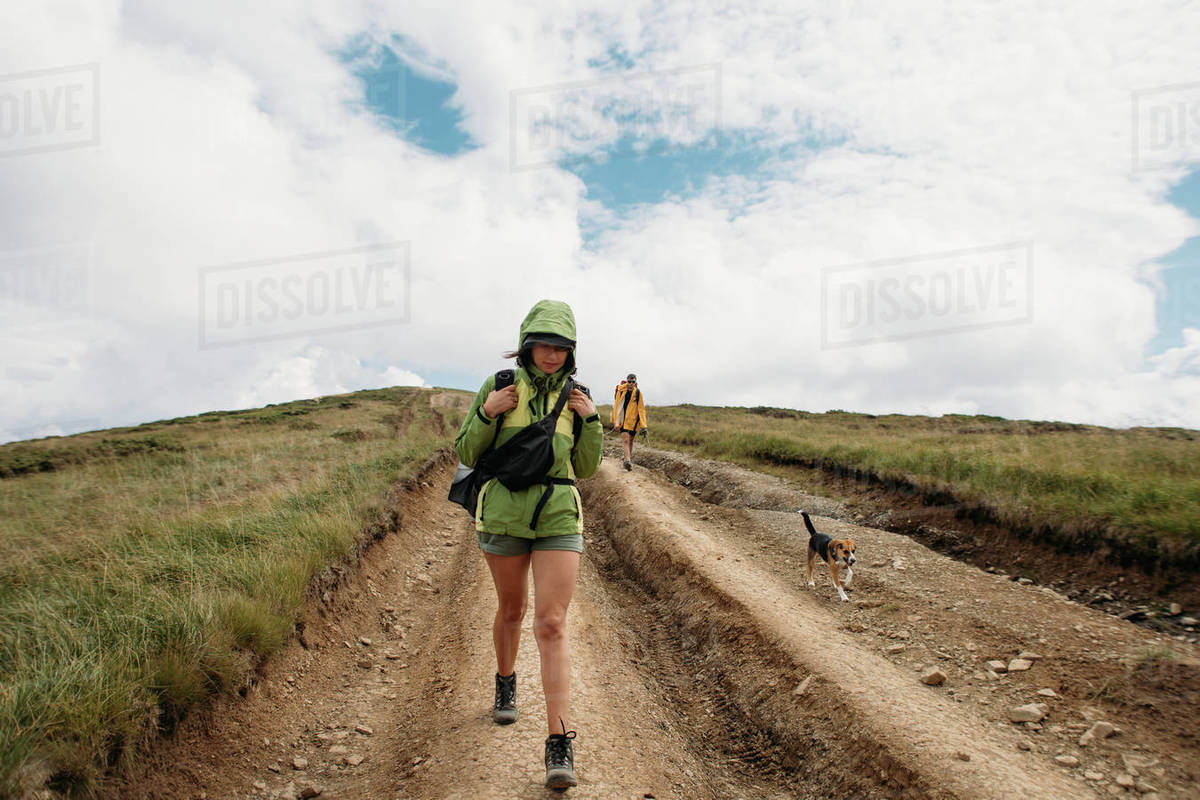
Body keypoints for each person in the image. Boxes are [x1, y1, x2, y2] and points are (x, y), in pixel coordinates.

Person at [454, 299, 602, 789]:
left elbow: (584, 468)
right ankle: (505, 682)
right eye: (544, 345)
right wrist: (487, 414)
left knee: (553, 623)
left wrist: (593, 422)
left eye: (562, 348)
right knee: (512, 610)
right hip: (503, 512)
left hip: (558, 511)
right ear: (527, 344)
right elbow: (467, 452)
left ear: (571, 351)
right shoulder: (498, 387)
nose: (552, 355)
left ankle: (559, 744)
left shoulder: (578, 396)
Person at [611, 373, 647, 470]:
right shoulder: (621, 390)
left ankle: (628, 461)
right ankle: (627, 461)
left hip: (633, 422)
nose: (631, 383)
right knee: (626, 439)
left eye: (633, 382)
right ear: (627, 381)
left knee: (630, 440)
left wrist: (643, 425)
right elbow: (616, 405)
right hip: (622, 420)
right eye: (629, 381)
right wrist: (615, 421)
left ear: (635, 382)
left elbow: (641, 409)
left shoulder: (638, 393)